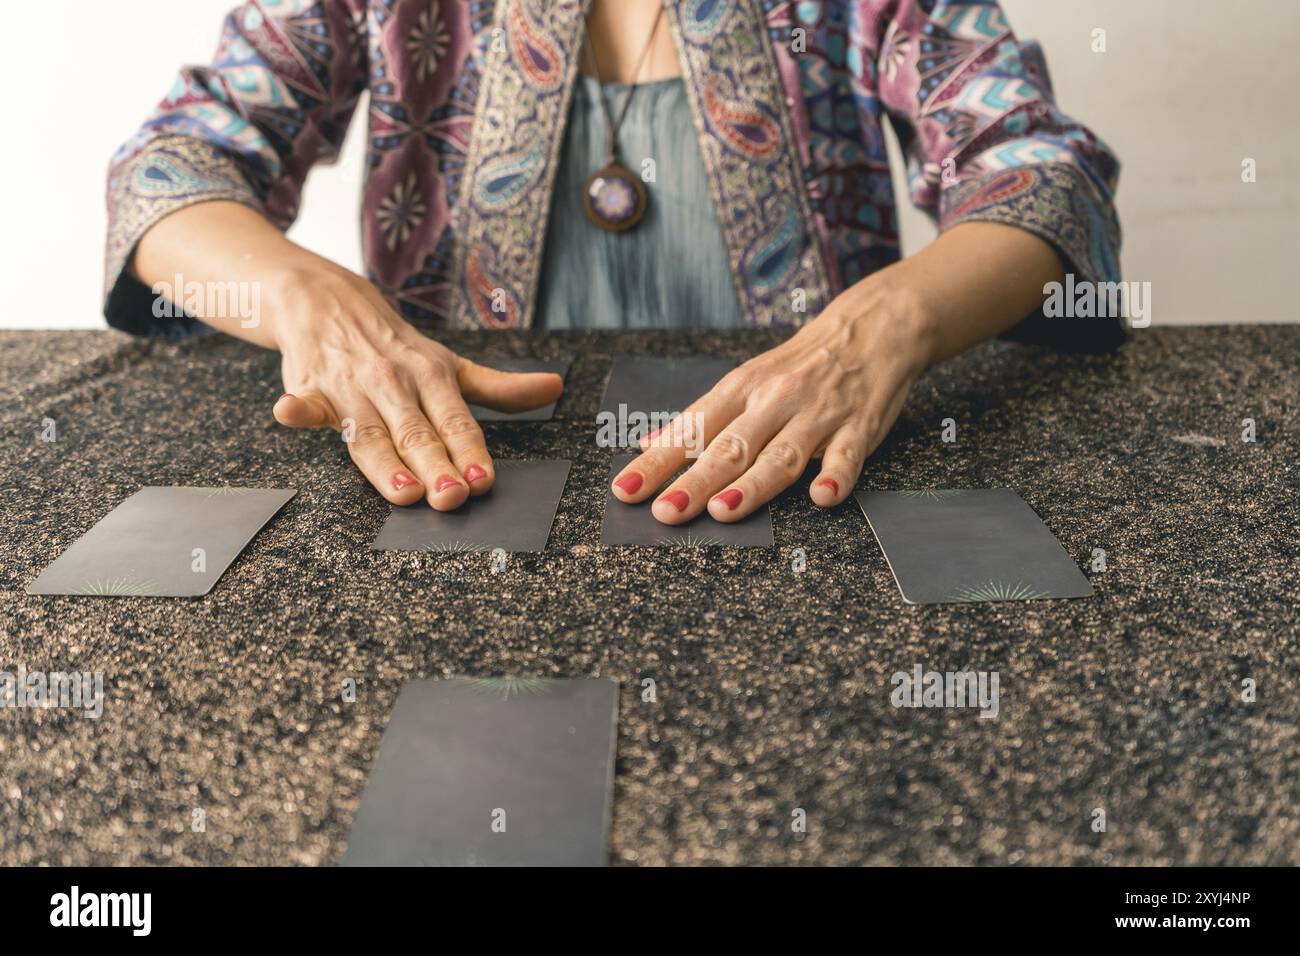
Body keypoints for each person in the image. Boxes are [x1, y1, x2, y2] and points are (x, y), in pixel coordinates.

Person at [104, 0, 1121, 525]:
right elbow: (167, 167)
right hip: (466, 494)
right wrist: (308, 300)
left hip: (809, 490)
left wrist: (885, 326)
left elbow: (1041, 169)